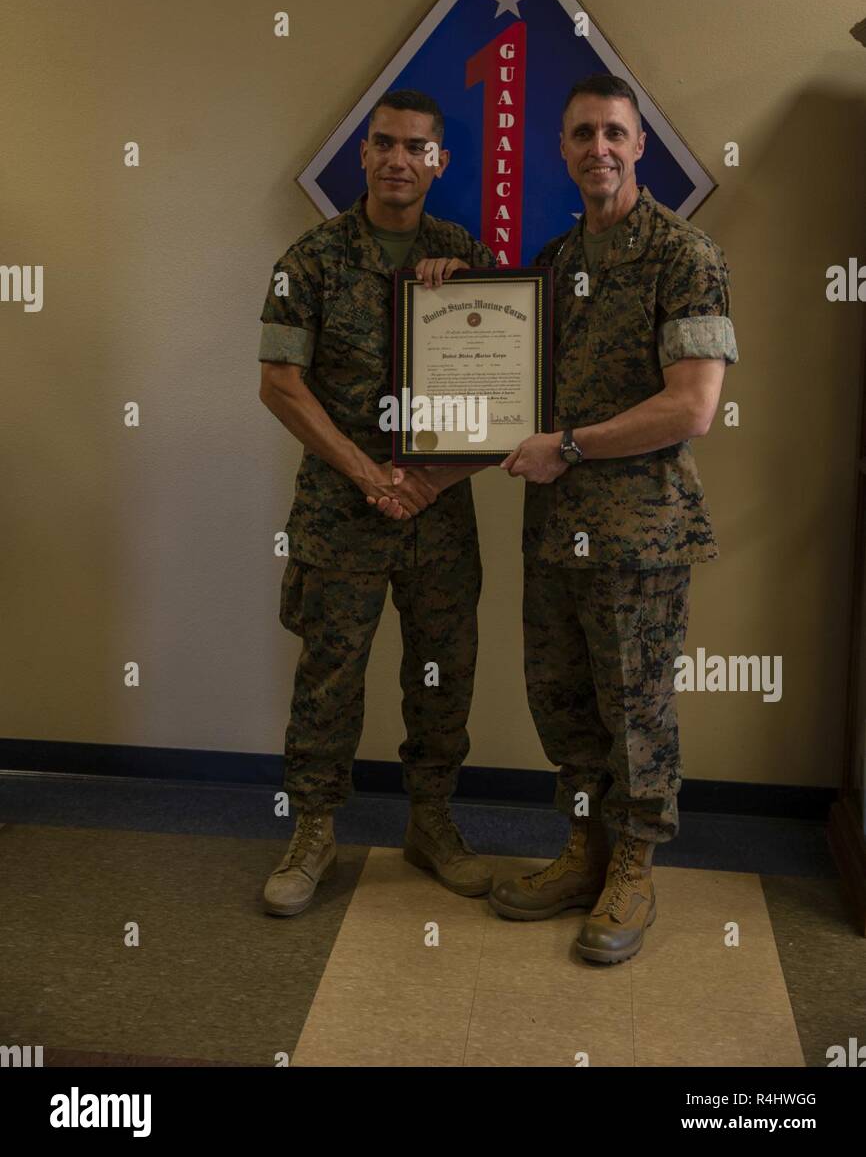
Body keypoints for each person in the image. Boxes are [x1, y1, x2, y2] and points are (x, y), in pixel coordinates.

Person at [487, 72, 739, 962]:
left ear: (640, 147)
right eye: (583, 133)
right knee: (564, 704)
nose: (598, 148)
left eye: (614, 134)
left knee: (635, 708)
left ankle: (634, 865)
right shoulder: (555, 265)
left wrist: (575, 447)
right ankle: (584, 851)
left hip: (639, 534)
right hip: (556, 529)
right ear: (563, 150)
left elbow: (693, 407)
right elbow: (502, 375)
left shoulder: (684, 255)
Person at [257, 89, 495, 917]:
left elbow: (505, 395)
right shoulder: (311, 259)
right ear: (362, 154)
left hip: (440, 514)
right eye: (384, 144)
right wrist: (369, 474)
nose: (399, 160)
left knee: (443, 674)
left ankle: (430, 823)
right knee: (330, 677)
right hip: (340, 512)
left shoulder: (465, 253)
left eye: (417, 147)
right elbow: (280, 387)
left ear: (441, 161)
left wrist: (431, 480)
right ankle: (313, 832)